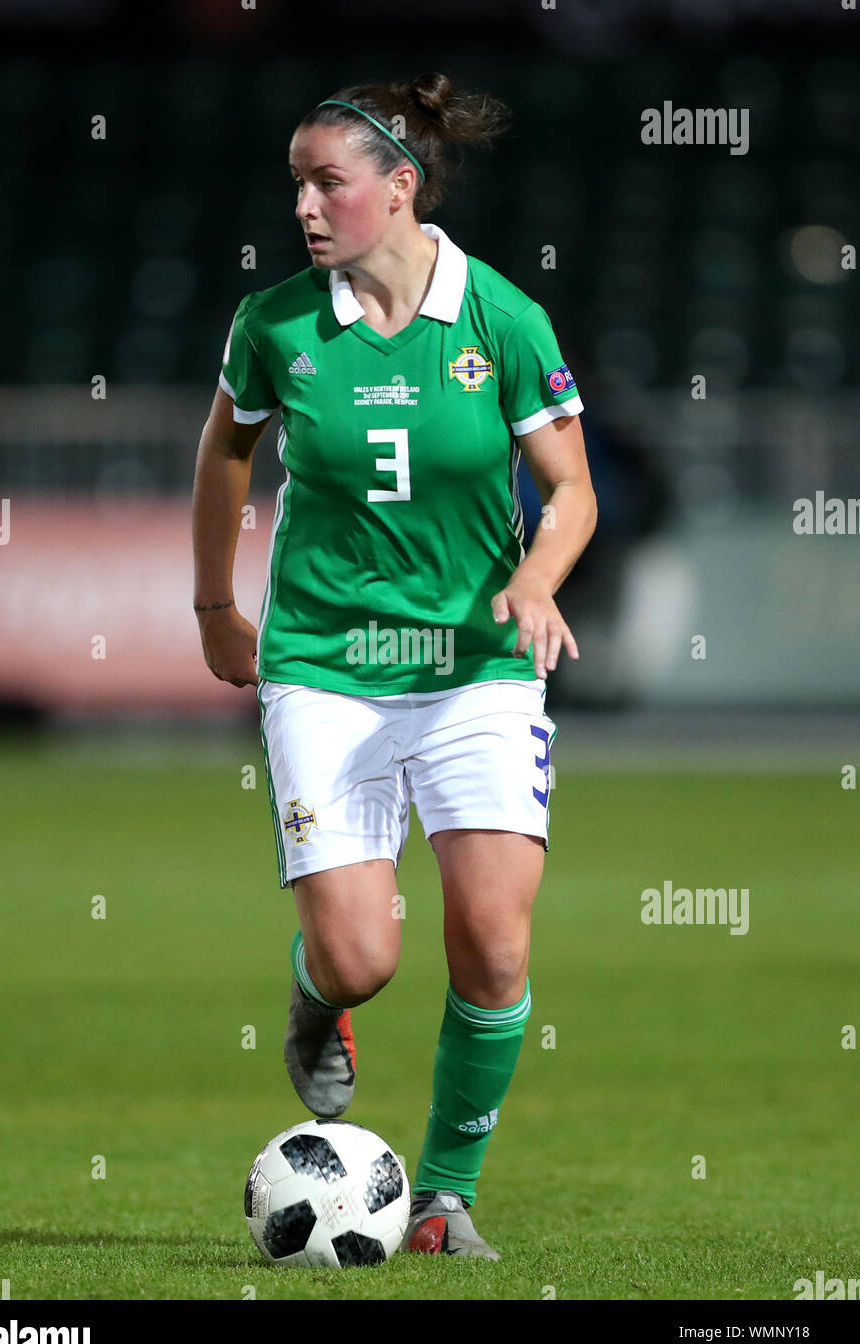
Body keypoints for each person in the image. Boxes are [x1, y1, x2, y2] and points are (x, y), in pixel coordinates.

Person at [192, 73, 597, 1260]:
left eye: (329, 182)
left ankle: (444, 1196)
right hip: (324, 662)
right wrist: (218, 600)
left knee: (496, 940)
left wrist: (534, 582)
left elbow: (570, 492)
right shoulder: (273, 325)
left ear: (401, 186)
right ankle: (320, 994)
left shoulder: (502, 320)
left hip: (475, 666)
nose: (307, 206)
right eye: (297, 184)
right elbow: (225, 450)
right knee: (365, 954)